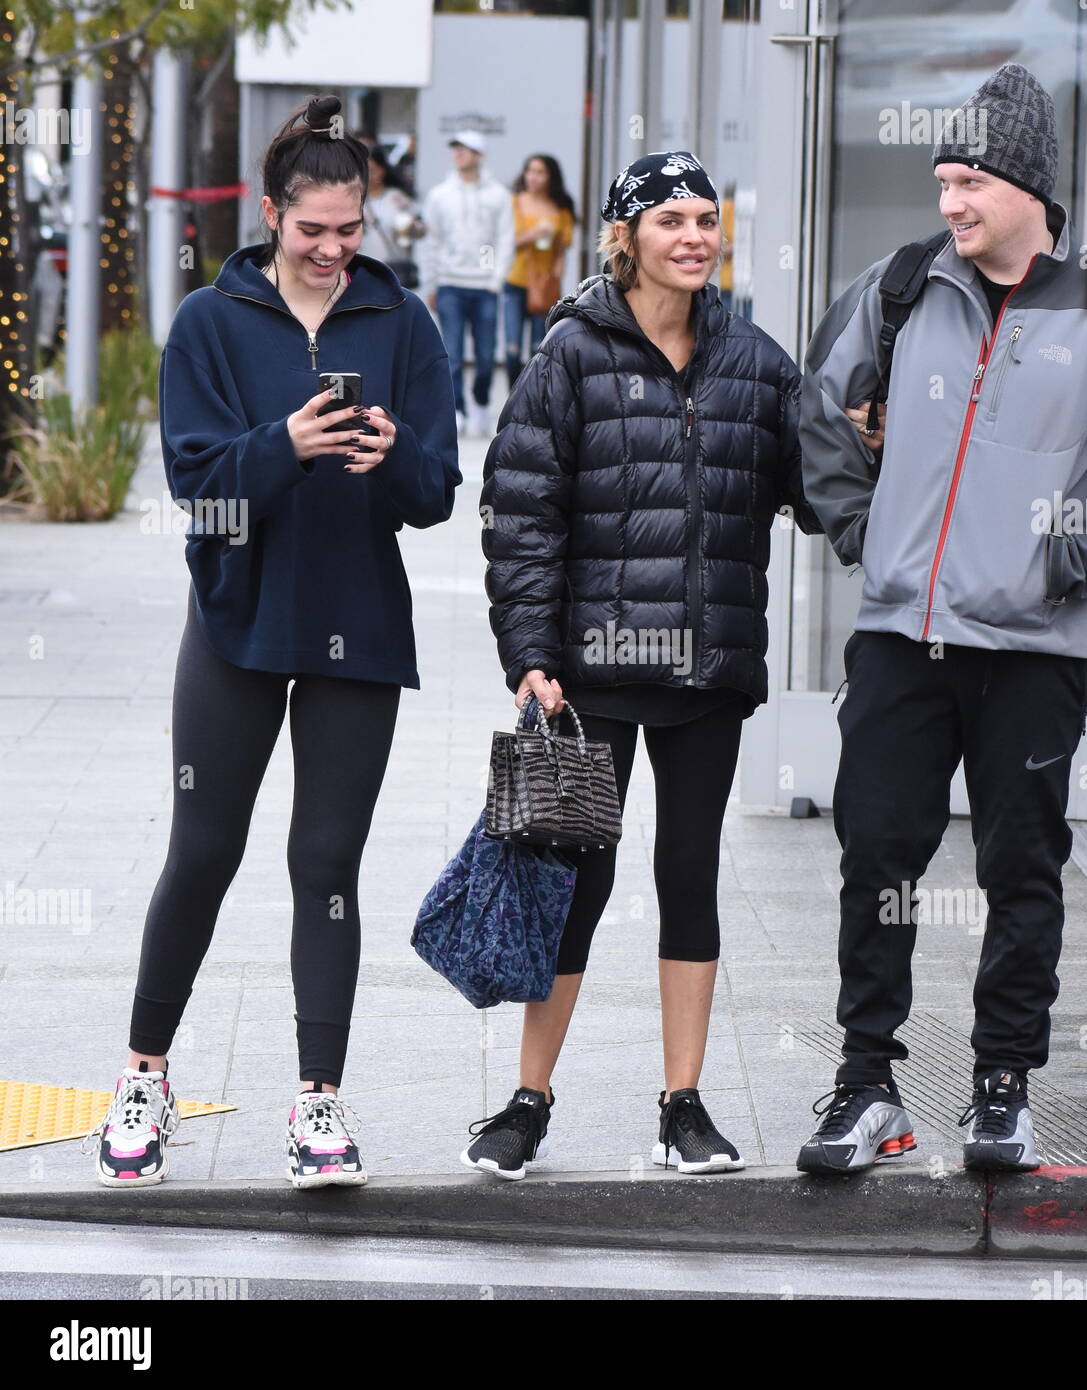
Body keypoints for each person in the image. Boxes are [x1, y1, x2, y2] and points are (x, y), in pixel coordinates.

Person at [797, 64, 1087, 1175]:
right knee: (875, 853)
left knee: (1021, 869)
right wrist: (861, 533)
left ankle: (1000, 1087)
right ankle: (866, 1084)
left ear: (1027, 185)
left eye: (968, 179)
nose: (950, 202)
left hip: (1035, 652)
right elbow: (819, 410)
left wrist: (1062, 557)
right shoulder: (897, 286)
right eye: (942, 180)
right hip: (899, 638)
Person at [83, 94, 461, 1191]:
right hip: (237, 624)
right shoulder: (211, 321)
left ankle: (318, 1102)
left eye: (351, 231)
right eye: (313, 232)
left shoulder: (405, 325)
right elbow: (196, 488)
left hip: (359, 626)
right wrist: (281, 444)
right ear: (271, 215)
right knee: (202, 853)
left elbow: (435, 492)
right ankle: (144, 1075)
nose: (334, 251)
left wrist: (386, 454)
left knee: (326, 868)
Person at [470, 149, 821, 1181]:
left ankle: (683, 1104)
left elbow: (815, 490)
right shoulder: (569, 356)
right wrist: (529, 653)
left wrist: (870, 438)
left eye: (706, 219)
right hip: (595, 670)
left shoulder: (756, 362)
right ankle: (528, 1101)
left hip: (707, 669)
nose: (693, 237)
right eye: (670, 219)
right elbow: (520, 512)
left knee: (689, 875)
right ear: (625, 236)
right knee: (575, 880)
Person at [422, 130, 515, 438]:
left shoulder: (497, 194)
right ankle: (458, 409)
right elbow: (431, 241)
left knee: (487, 356)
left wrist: (496, 280)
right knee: (452, 353)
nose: (459, 154)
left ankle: (481, 402)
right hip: (450, 283)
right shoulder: (440, 195)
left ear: (480, 155)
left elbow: (505, 237)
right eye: (456, 149)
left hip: (485, 287)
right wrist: (432, 283)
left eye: (466, 149)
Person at [503, 153, 575, 386]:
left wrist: (559, 256)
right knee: (512, 348)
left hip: (544, 284)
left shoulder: (560, 207)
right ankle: (512, 395)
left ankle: (532, 395)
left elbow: (564, 243)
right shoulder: (513, 202)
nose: (533, 177)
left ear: (550, 177)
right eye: (530, 171)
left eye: (539, 172)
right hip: (516, 280)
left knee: (539, 347)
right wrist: (532, 235)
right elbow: (505, 240)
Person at [361, 144, 426, 288]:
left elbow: (421, 230)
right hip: (360, 273)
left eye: (373, 170)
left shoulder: (396, 198)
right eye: (363, 170)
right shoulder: (351, 200)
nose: (369, 175)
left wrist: (411, 227)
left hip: (393, 273)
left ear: (383, 169)